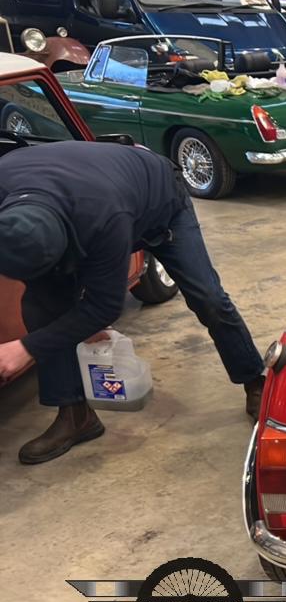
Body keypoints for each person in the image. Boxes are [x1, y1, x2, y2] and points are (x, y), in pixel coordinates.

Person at [0, 141, 265, 465]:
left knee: (207, 298)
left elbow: (105, 306)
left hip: (160, 204)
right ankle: (76, 416)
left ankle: (255, 382)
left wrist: (25, 348)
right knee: (41, 304)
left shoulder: (104, 217)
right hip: (91, 194)